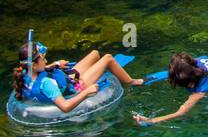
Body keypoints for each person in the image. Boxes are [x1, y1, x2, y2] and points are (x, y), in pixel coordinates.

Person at [11, 41, 142, 113]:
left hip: (65, 80)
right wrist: (86, 92)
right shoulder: (47, 84)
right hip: (76, 86)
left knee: (95, 54)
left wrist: (55, 64)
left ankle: (105, 68)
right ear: (33, 65)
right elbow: (65, 107)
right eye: (43, 59)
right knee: (107, 58)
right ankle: (131, 82)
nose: (45, 61)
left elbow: (40, 70)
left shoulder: (24, 73)